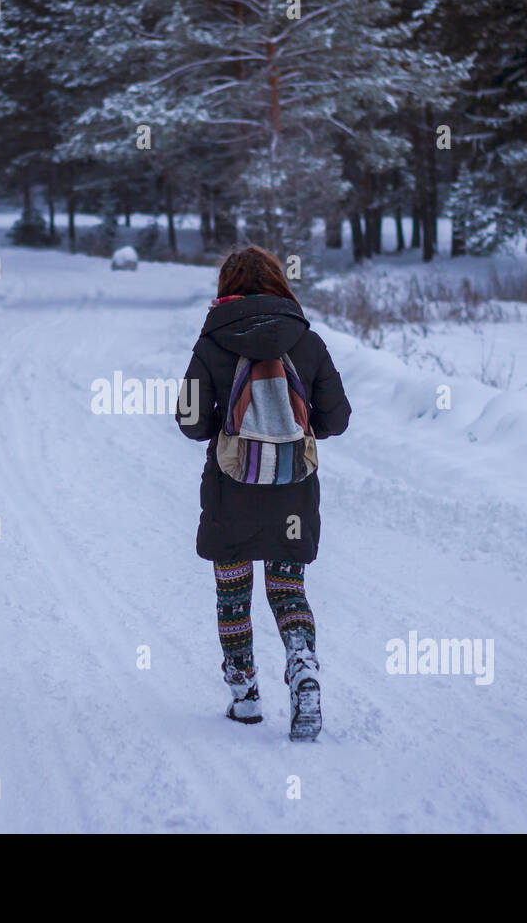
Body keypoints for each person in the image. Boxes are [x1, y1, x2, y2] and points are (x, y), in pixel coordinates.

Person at [176, 244, 351, 741]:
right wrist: (294, 430)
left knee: (233, 591)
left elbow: (189, 420)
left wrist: (224, 427)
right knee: (288, 588)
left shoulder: (211, 342)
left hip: (231, 489)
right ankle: (303, 668)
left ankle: (245, 696)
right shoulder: (306, 340)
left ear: (226, 287)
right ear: (279, 282)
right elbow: (337, 418)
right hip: (292, 491)